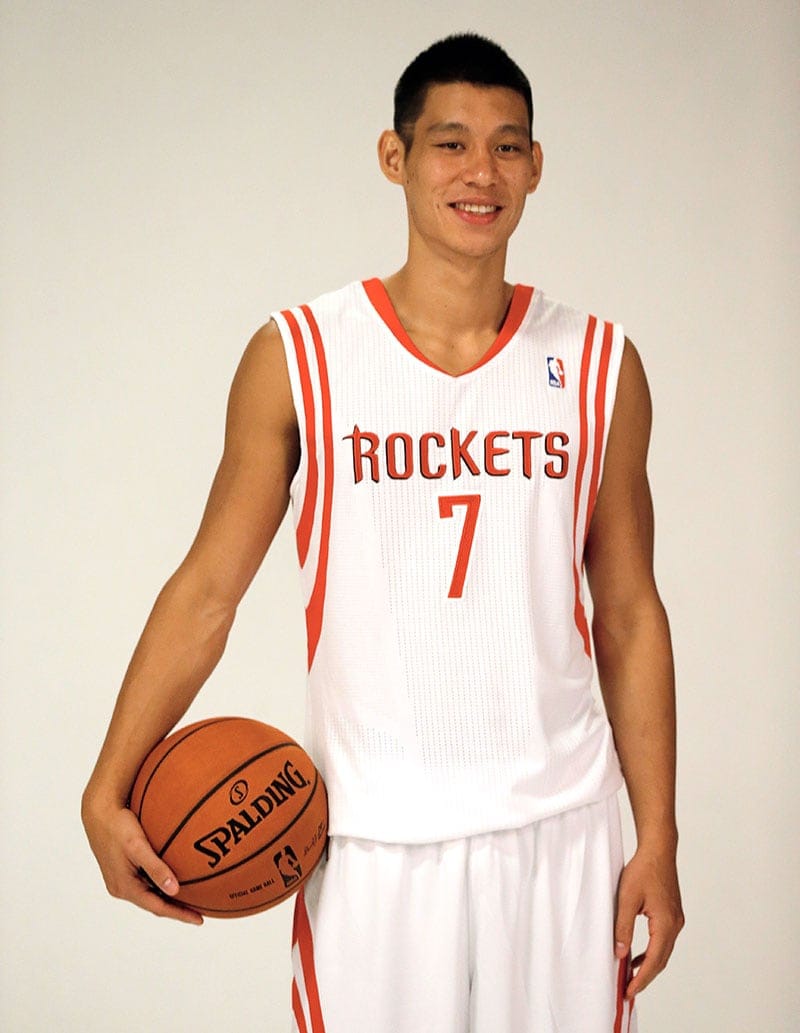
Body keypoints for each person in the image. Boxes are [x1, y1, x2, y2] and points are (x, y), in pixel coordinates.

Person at [82, 33, 683, 1033]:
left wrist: (655, 835)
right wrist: (109, 784)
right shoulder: (301, 356)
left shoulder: (597, 363)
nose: (478, 173)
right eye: (449, 144)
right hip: (370, 839)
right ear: (393, 156)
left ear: (536, 165)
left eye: (505, 146)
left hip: (563, 833)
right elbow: (206, 591)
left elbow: (627, 609)